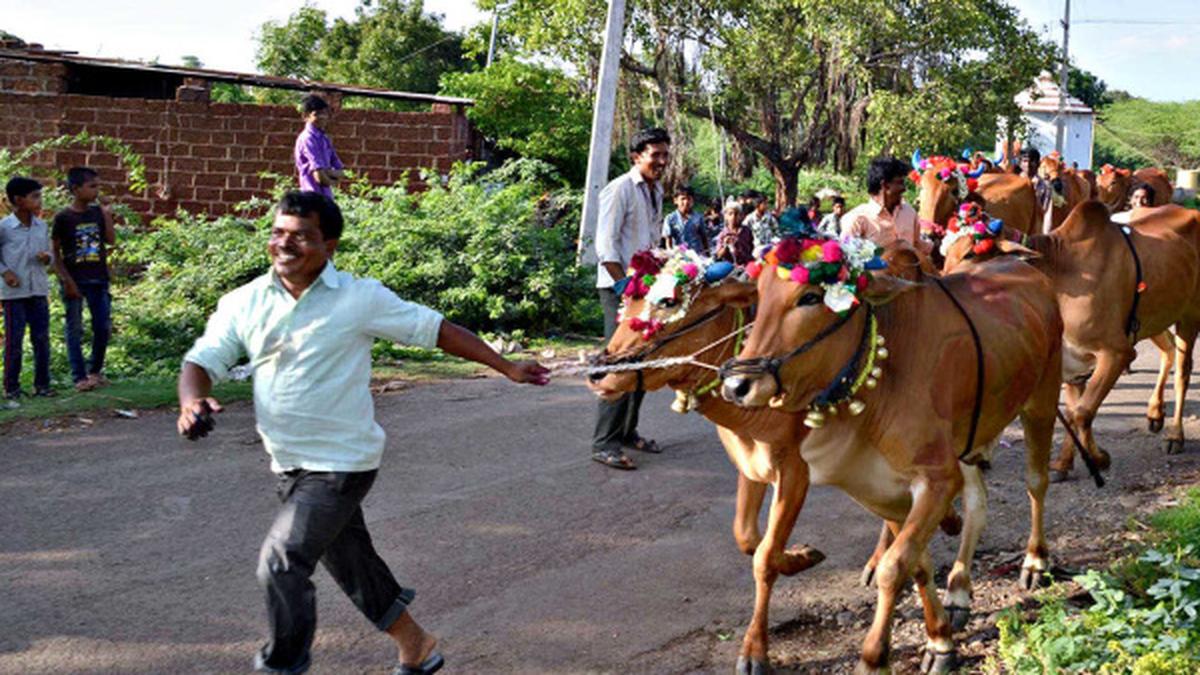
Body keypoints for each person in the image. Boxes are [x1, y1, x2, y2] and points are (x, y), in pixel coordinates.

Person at [178, 191, 548, 675]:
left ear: (329, 245)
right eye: (278, 233)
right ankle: (416, 645)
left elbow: (436, 329)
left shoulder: (358, 298)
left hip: (342, 463)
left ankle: (282, 667)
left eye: (302, 237)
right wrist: (191, 400)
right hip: (287, 461)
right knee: (351, 563)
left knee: (282, 561)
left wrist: (505, 366)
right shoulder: (244, 302)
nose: (285, 245)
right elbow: (201, 361)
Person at [591, 127, 670, 470]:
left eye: (666, 154)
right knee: (620, 360)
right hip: (618, 287)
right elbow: (605, 247)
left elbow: (650, 240)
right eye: (656, 155)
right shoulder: (619, 189)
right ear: (637, 156)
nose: (662, 161)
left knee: (643, 359)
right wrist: (624, 287)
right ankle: (604, 442)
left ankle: (627, 431)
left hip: (646, 289)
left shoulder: (655, 190)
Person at [52, 167, 115, 392]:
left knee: (102, 326)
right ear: (75, 189)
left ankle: (95, 371)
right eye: (92, 186)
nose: (96, 190)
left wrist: (107, 214)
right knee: (74, 328)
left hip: (99, 278)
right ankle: (79, 377)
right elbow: (54, 253)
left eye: (98, 186)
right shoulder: (63, 218)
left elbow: (110, 240)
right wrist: (66, 280)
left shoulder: (98, 213)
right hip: (75, 281)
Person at [1, 177, 54, 399]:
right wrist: (6, 272)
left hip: (38, 289)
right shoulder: (5, 227)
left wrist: (46, 257)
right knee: (15, 340)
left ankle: (42, 384)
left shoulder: (41, 226)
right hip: (14, 293)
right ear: (18, 200)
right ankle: (11, 387)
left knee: (41, 338)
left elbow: (50, 254)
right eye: (35, 196)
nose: (39, 201)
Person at [840, 157, 930, 254]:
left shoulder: (909, 213)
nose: (904, 189)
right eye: (900, 183)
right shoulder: (857, 219)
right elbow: (847, 254)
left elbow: (917, 245)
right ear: (885, 186)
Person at [294, 94, 345, 200]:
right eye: (317, 114)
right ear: (305, 116)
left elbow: (341, 172)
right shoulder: (307, 139)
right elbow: (319, 178)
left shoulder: (324, 139)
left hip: (326, 198)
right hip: (312, 199)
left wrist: (325, 171)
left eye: (324, 113)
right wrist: (331, 178)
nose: (322, 117)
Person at [662, 186, 709, 253]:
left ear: (693, 200)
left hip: (697, 255)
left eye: (689, 199)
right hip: (679, 256)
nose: (686, 202)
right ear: (675, 201)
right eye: (683, 199)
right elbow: (668, 241)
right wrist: (670, 254)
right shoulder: (670, 219)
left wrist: (707, 254)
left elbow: (704, 237)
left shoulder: (698, 217)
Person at [714, 198, 754, 265]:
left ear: (741, 216)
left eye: (736, 214)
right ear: (726, 217)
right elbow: (719, 255)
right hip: (730, 267)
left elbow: (751, 246)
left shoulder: (746, 230)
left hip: (747, 264)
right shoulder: (723, 234)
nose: (733, 217)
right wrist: (725, 245)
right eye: (730, 214)